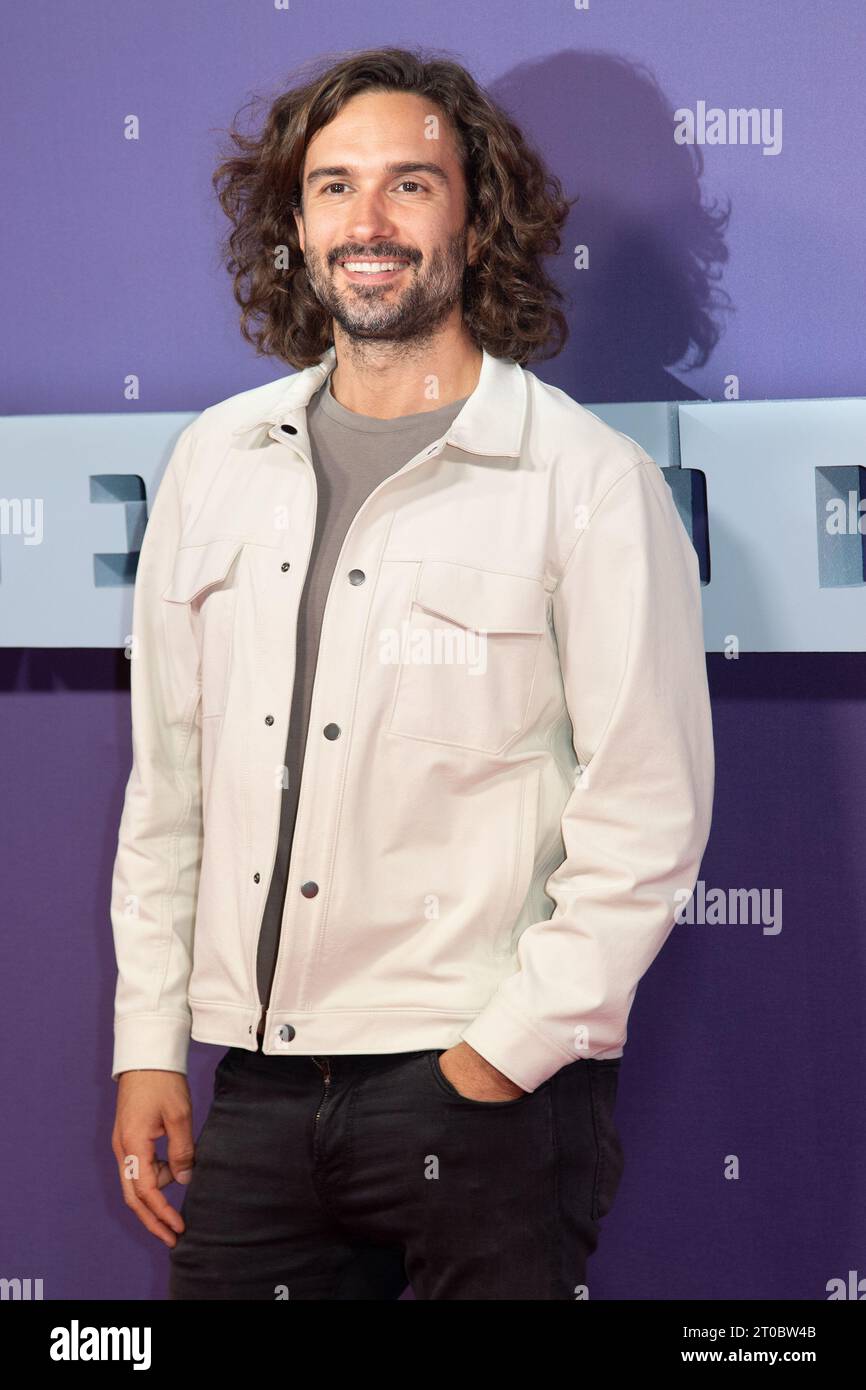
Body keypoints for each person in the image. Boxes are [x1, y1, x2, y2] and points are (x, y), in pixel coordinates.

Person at [109, 46, 715, 1300]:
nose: (366, 223)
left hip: (477, 1090)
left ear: (475, 216)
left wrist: (503, 1057)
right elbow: (168, 785)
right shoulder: (214, 463)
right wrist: (148, 1041)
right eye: (332, 188)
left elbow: (647, 805)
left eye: (409, 185)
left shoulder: (584, 481)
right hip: (259, 1092)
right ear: (294, 223)